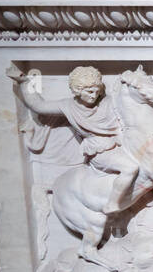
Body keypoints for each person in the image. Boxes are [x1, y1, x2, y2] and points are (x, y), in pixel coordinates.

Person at [9, 64, 142, 214]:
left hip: (122, 143)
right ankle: (113, 204)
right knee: (130, 168)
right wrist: (24, 82)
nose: (93, 95)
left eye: (96, 91)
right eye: (89, 91)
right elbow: (39, 106)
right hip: (100, 150)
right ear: (78, 91)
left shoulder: (108, 102)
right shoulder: (68, 106)